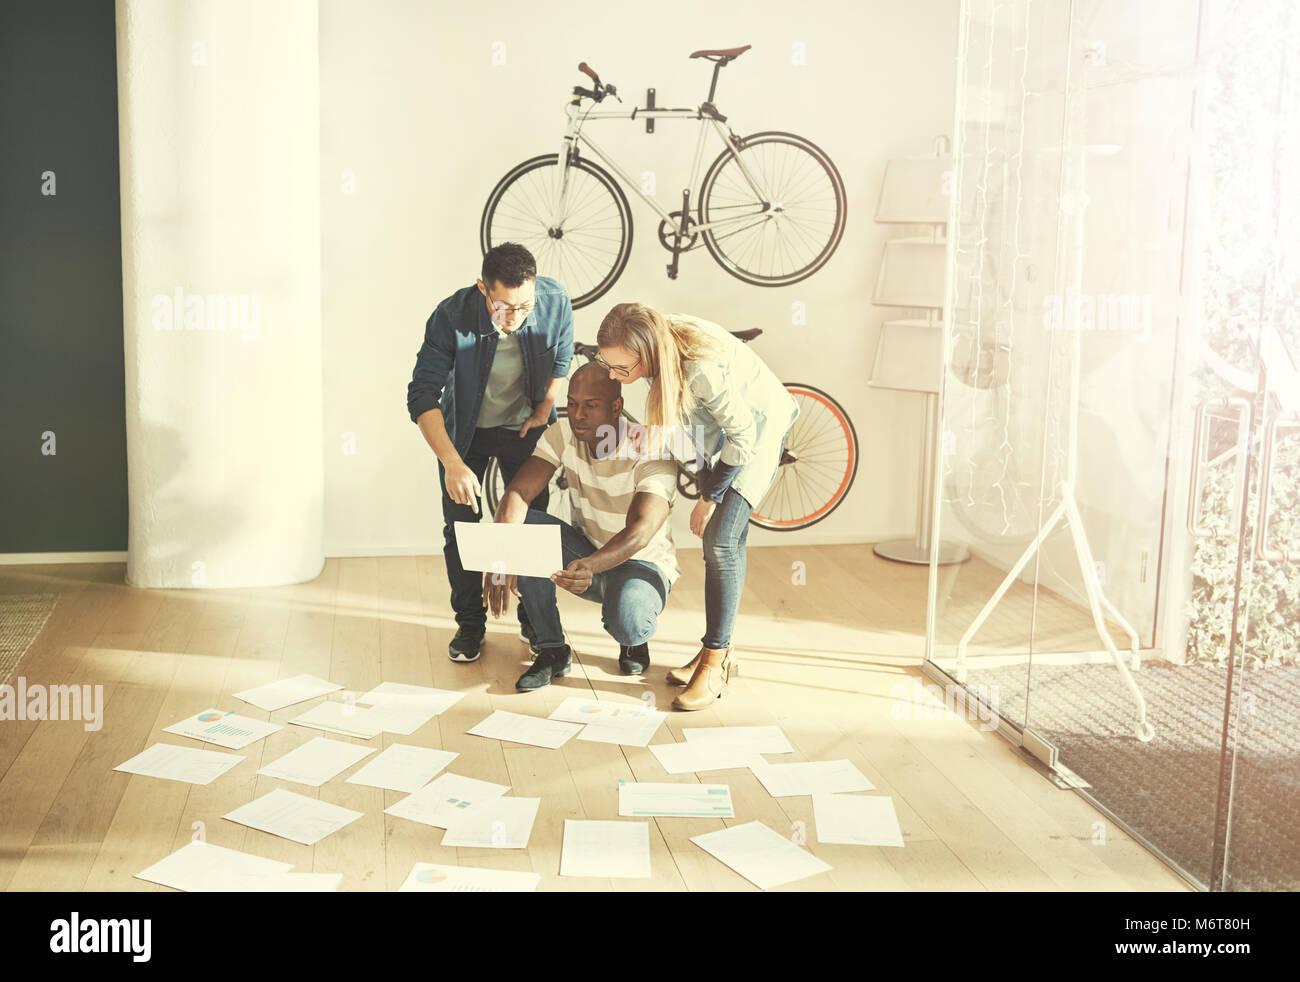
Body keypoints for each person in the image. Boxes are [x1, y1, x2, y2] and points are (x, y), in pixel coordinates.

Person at [594, 303, 798, 710]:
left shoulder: (698, 368)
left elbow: (742, 438)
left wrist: (709, 497)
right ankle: (719, 652)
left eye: (621, 368)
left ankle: (716, 660)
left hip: (755, 428)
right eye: (607, 365)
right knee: (728, 544)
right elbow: (687, 431)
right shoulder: (655, 347)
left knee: (720, 543)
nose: (613, 377)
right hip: (716, 429)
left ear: (647, 352)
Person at [407, 243, 573, 663]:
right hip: (466, 435)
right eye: (504, 307)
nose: (515, 318)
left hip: (524, 430)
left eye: (524, 306)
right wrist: (452, 463)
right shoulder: (451, 316)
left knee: (531, 525)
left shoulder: (554, 302)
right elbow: (421, 394)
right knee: (462, 528)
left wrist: (544, 406)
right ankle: (469, 625)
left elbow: (563, 356)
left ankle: (534, 621)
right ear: (483, 288)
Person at [483, 362, 680, 691]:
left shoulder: (652, 445)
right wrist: (501, 553)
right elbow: (519, 492)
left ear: (616, 406)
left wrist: (592, 565)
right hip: (586, 553)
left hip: (642, 563)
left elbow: (642, 530)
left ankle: (631, 638)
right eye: (572, 404)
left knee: (629, 622)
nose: (578, 415)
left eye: (591, 405)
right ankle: (551, 648)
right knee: (524, 528)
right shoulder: (562, 433)